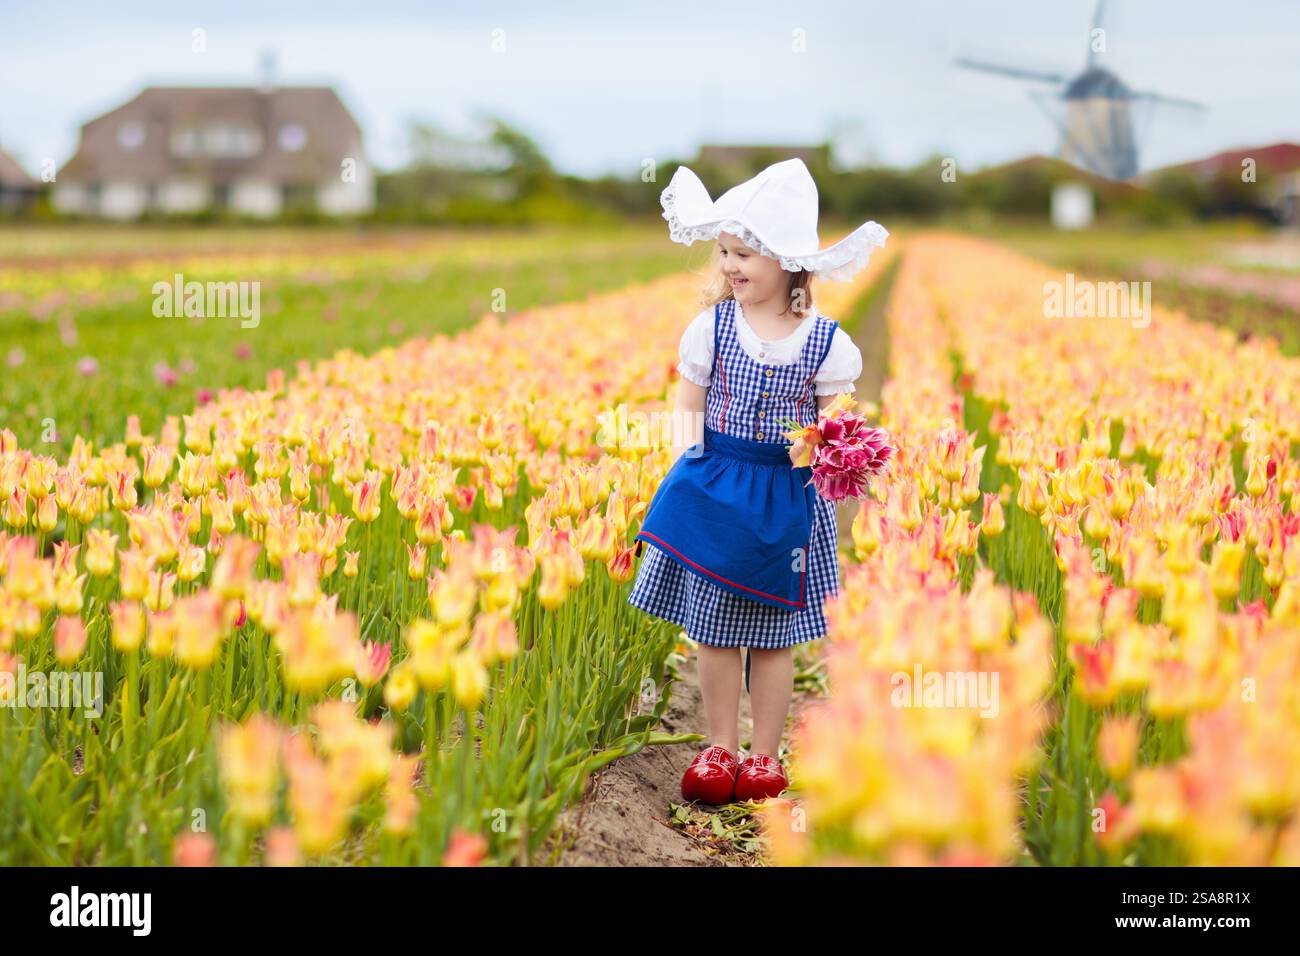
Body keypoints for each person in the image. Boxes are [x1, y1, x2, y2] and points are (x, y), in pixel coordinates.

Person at [627, 158, 888, 804]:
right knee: (714, 631)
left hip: (785, 501)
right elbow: (687, 407)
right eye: (724, 252)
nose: (730, 265)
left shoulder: (825, 343)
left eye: (745, 252)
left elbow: (836, 421)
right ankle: (719, 746)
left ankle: (764, 757)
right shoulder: (710, 329)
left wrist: (840, 450)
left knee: (773, 638)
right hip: (717, 490)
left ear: (787, 262)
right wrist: (685, 476)